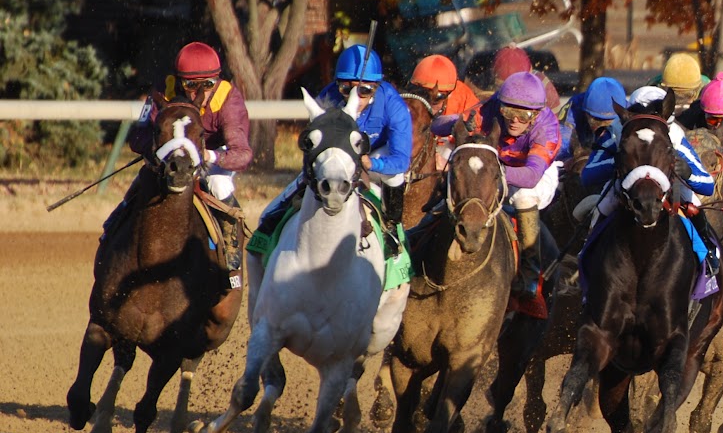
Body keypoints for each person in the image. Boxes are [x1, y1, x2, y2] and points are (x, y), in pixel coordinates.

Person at [253, 44, 413, 250]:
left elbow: (401, 161)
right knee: (268, 213)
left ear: (376, 87)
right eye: (346, 89)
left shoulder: (394, 105)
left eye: (364, 90)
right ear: (337, 85)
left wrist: (371, 163)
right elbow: (312, 150)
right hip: (340, 159)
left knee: (394, 176)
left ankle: (392, 228)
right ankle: (271, 229)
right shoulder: (327, 99)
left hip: (375, 155)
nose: (355, 97)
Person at [121, 41, 253, 273]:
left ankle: (230, 241)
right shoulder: (164, 91)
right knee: (141, 183)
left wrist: (207, 155)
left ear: (217, 80)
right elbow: (137, 137)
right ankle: (115, 227)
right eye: (191, 85)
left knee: (218, 184)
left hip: (212, 155)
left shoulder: (228, 99)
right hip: (173, 154)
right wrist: (163, 149)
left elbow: (242, 154)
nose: (199, 92)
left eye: (208, 84)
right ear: (178, 80)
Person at [434, 71, 561, 307]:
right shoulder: (489, 109)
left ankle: (530, 273)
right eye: (508, 112)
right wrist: (457, 123)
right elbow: (436, 125)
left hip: (532, 172)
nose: (514, 121)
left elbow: (531, 176)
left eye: (524, 115)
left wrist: (492, 173)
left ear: (536, 115)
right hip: (494, 163)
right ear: (500, 106)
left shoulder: (547, 129)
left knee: (523, 196)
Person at [581, 84, 721, 271]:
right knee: (603, 205)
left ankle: (708, 255)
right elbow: (588, 175)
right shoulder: (615, 131)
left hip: (670, 187)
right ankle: (587, 254)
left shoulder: (674, 134)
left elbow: (708, 185)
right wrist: (619, 160)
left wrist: (688, 173)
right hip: (626, 187)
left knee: (693, 205)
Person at [559, 76, 628, 162]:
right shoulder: (574, 107)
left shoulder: (629, 112)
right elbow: (559, 145)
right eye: (597, 121)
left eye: (609, 123)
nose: (602, 132)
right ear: (586, 113)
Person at [408, 54, 479, 118]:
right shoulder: (405, 105)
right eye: (423, 94)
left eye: (438, 97)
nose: (428, 103)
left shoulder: (463, 98)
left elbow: (477, 121)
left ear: (449, 94)